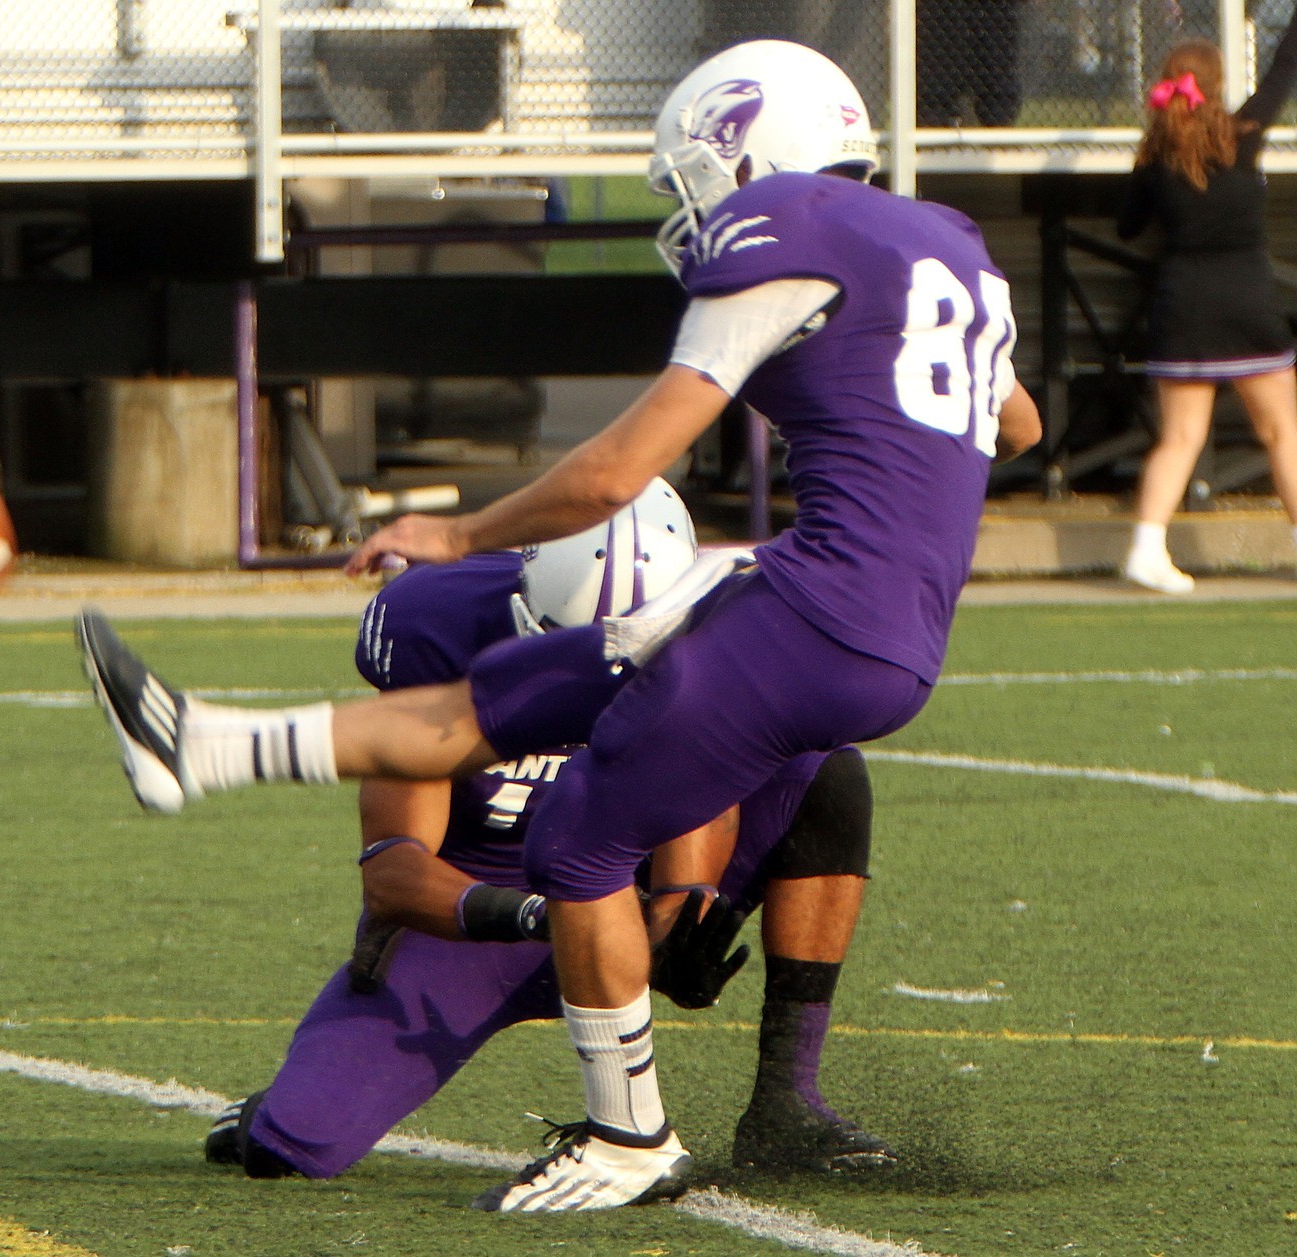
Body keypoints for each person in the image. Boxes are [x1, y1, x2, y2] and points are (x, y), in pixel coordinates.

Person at [78, 39, 1041, 1212]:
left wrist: (458, 531)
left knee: (576, 837)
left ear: (751, 146)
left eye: (697, 172)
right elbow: (1018, 424)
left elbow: (615, 472)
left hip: (822, 607)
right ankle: (202, 746)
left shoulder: (783, 230)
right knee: (514, 696)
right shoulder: (945, 242)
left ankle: (630, 1139)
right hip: (873, 612)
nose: (691, 204)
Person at [201, 536, 894, 1182]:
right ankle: (283, 1102)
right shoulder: (437, 628)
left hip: (626, 869)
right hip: (492, 899)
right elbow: (393, 870)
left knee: (821, 769)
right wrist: (545, 917)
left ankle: (787, 1097)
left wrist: (679, 912)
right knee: (293, 1144)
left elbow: (704, 786)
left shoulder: (723, 614)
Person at [1118, 0, 1297, 593]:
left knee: (1180, 438)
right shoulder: (1245, 133)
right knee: (1282, 432)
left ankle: (1145, 547)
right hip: (1247, 305)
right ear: (1215, 88)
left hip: (1182, 306)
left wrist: (1150, 166)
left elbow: (1127, 228)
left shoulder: (1156, 157)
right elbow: (1287, 65)